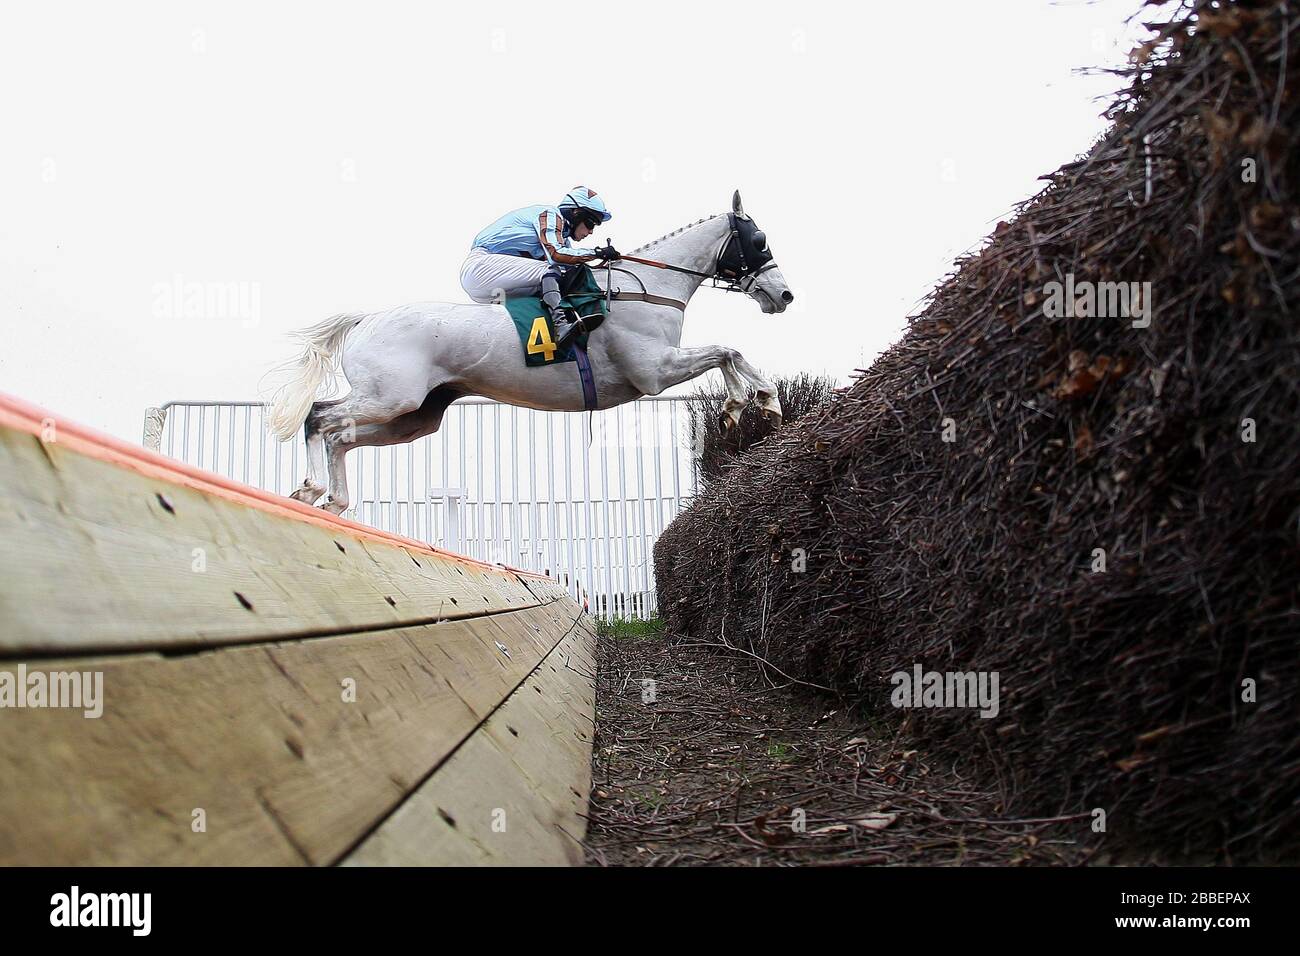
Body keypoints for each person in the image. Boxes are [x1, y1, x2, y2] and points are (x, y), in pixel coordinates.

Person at [460, 186, 620, 348]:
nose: (591, 231)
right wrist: (598, 252)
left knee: (562, 279)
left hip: (495, 287)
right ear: (575, 213)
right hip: (481, 267)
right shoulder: (551, 214)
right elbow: (556, 254)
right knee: (551, 270)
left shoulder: (564, 240)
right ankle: (560, 325)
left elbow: (571, 267)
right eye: (590, 223)